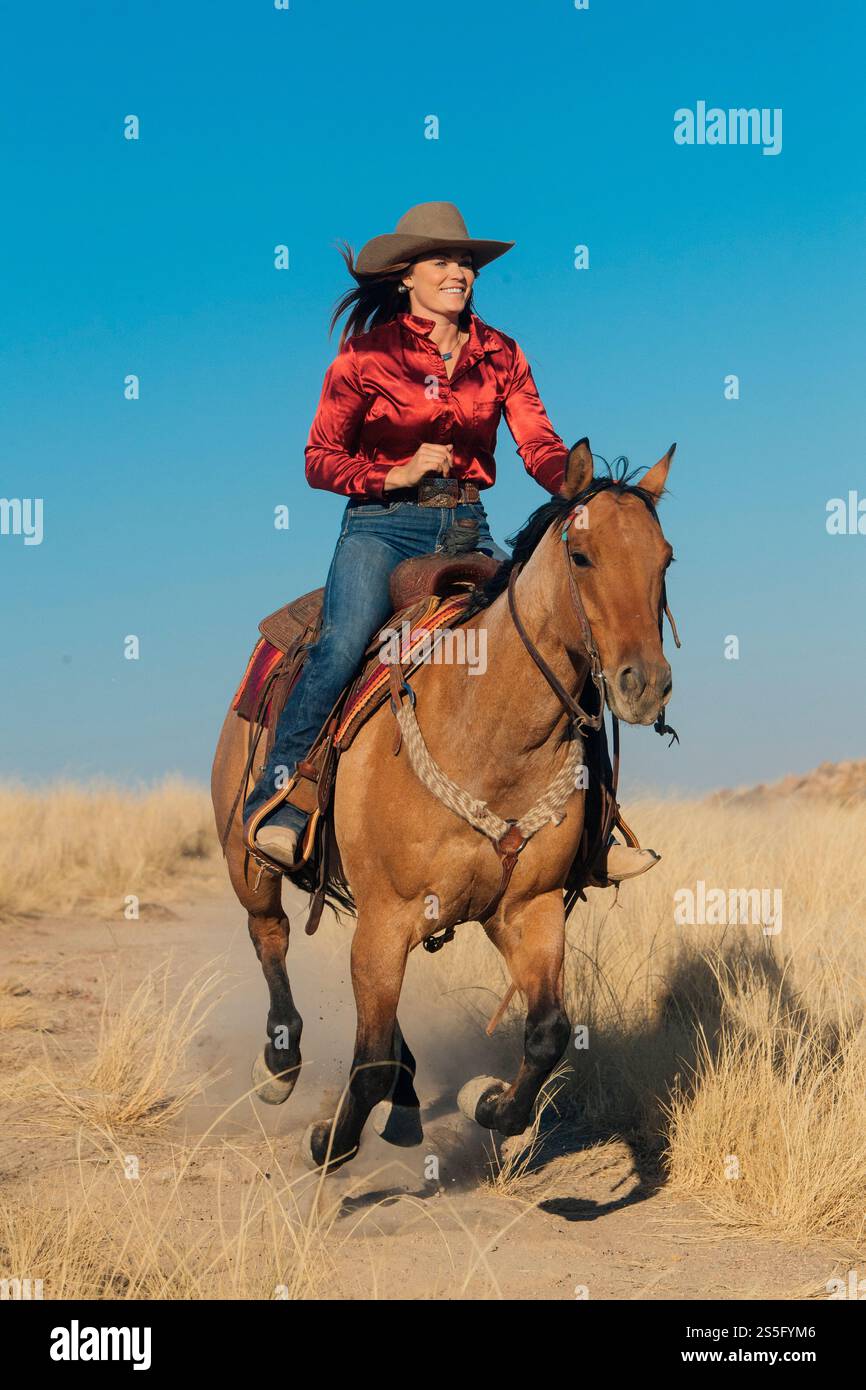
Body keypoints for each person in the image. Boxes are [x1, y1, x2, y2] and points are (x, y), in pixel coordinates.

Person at [243, 201, 658, 883]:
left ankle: (596, 826)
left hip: (468, 524)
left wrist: (576, 490)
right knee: (345, 642)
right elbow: (320, 458)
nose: (458, 271)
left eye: (465, 261)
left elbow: (538, 442)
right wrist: (392, 472)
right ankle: (287, 796)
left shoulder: (502, 353)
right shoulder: (364, 357)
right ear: (407, 275)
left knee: (554, 636)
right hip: (381, 526)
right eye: (443, 260)